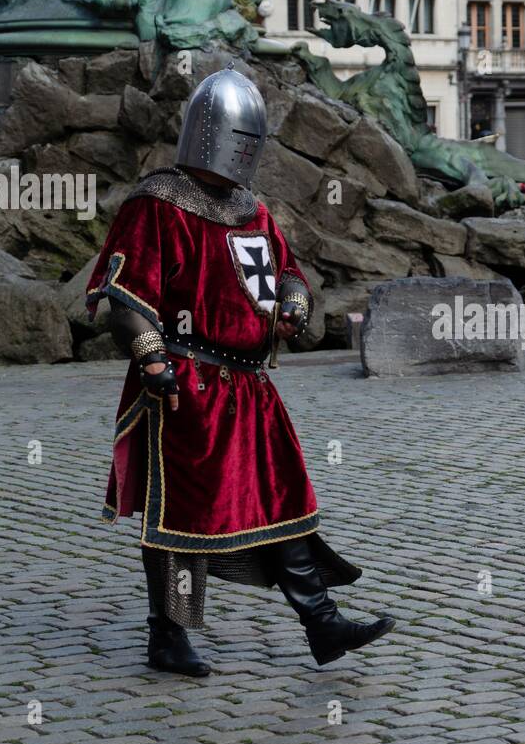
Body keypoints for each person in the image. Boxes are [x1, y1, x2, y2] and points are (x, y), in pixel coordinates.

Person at [86, 68, 394, 676]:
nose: (246, 153)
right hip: (185, 384)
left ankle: (322, 623)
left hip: (251, 388)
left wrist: (293, 306)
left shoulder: (251, 208)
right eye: (240, 138)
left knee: (283, 499)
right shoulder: (157, 203)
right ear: (213, 133)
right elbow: (124, 294)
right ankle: (168, 636)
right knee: (181, 521)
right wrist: (152, 358)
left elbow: (287, 273)